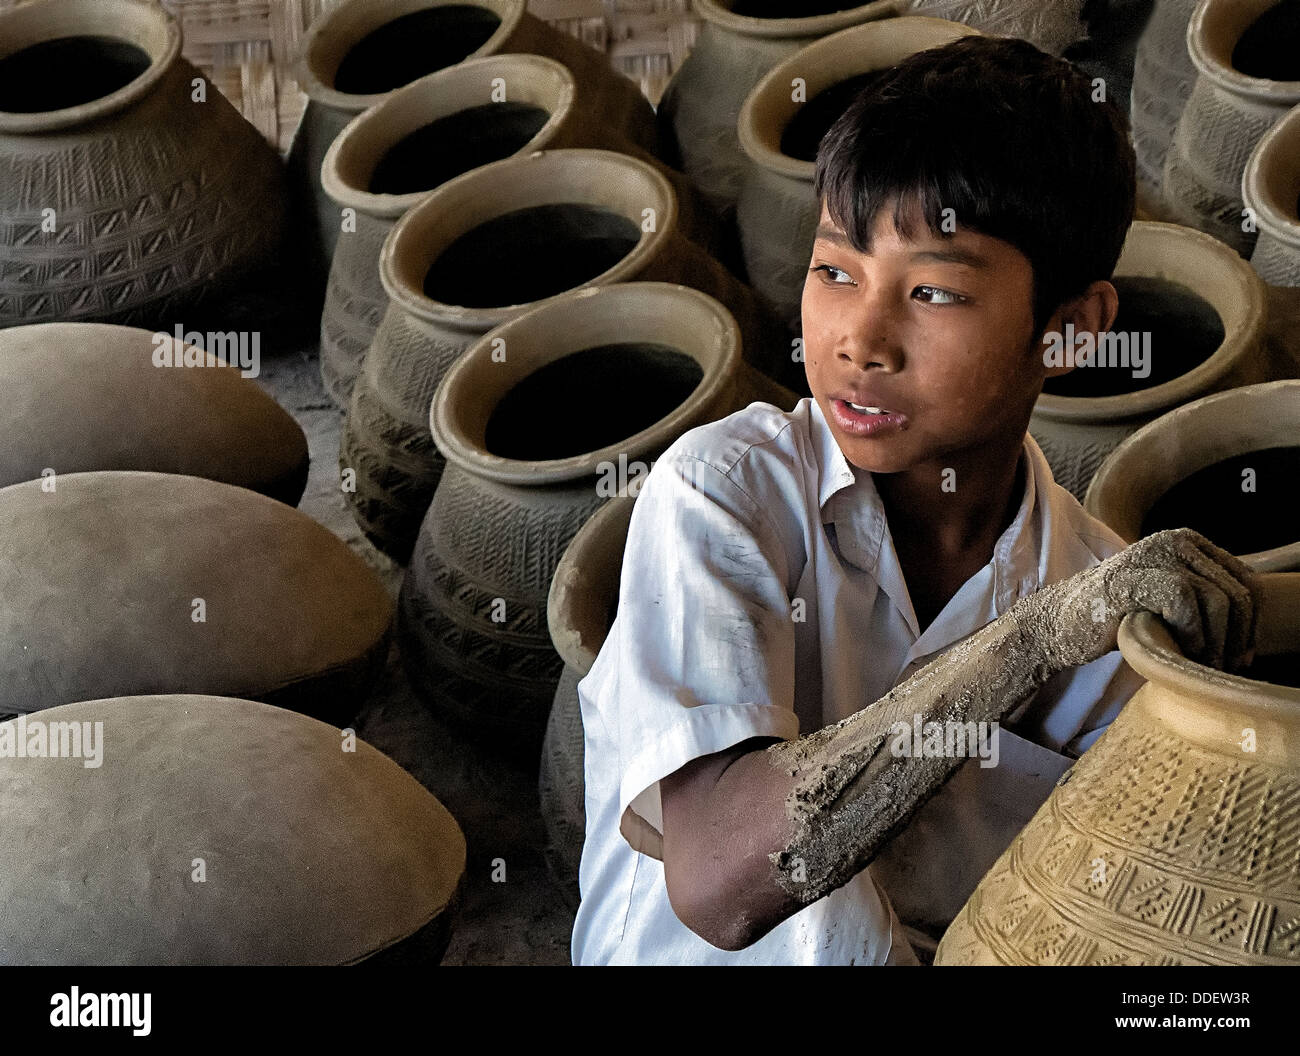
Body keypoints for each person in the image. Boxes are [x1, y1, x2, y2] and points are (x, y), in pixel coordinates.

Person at [570, 35, 1258, 966]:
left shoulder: (1106, 609)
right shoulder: (725, 492)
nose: (861, 339)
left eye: (932, 290)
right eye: (835, 272)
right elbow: (719, 886)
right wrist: (1027, 647)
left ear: (1070, 332)